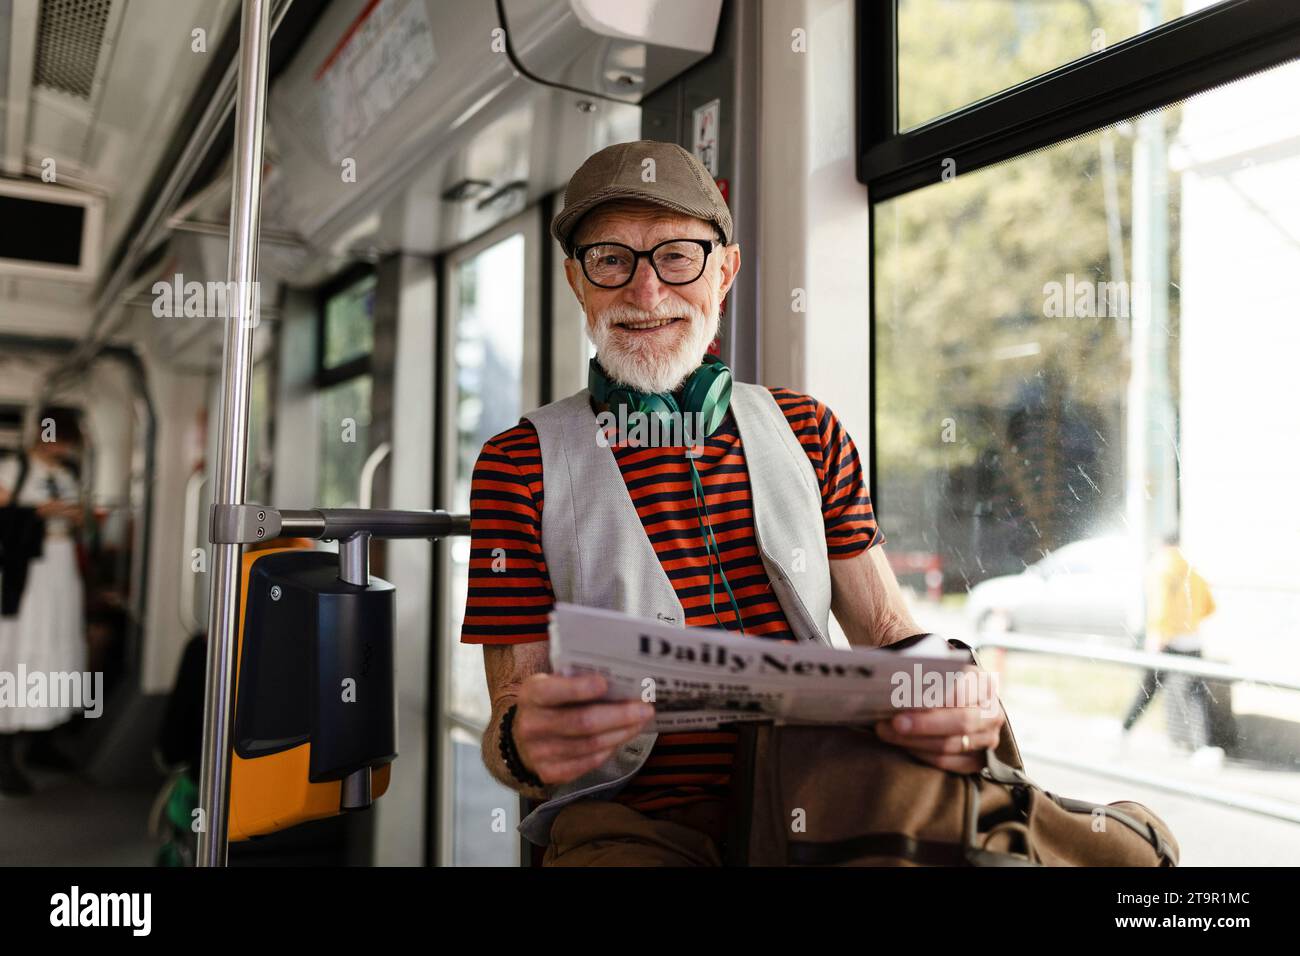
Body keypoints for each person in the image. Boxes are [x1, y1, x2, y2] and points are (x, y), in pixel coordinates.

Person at [460, 140, 1005, 866]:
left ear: (725, 272)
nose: (646, 293)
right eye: (611, 259)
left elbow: (884, 625)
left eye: (677, 256)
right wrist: (523, 744)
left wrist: (953, 685)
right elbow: (509, 717)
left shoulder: (808, 430)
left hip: (832, 791)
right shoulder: (517, 464)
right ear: (576, 282)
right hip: (630, 820)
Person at [0, 406, 88, 796]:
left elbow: (81, 517)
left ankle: (43, 738)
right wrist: (39, 511)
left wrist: (74, 515)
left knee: (58, 646)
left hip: (60, 567)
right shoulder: (14, 469)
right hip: (27, 572)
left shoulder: (67, 474)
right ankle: (5, 750)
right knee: (21, 652)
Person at [1122, 532, 1218, 745]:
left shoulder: (1161, 567)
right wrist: (1189, 620)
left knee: (1148, 689)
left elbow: (1160, 604)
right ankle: (1203, 746)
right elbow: (1210, 606)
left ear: (1161, 545)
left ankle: (1124, 730)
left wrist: (1158, 634)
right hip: (1192, 640)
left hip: (1167, 640)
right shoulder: (1192, 570)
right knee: (1195, 695)